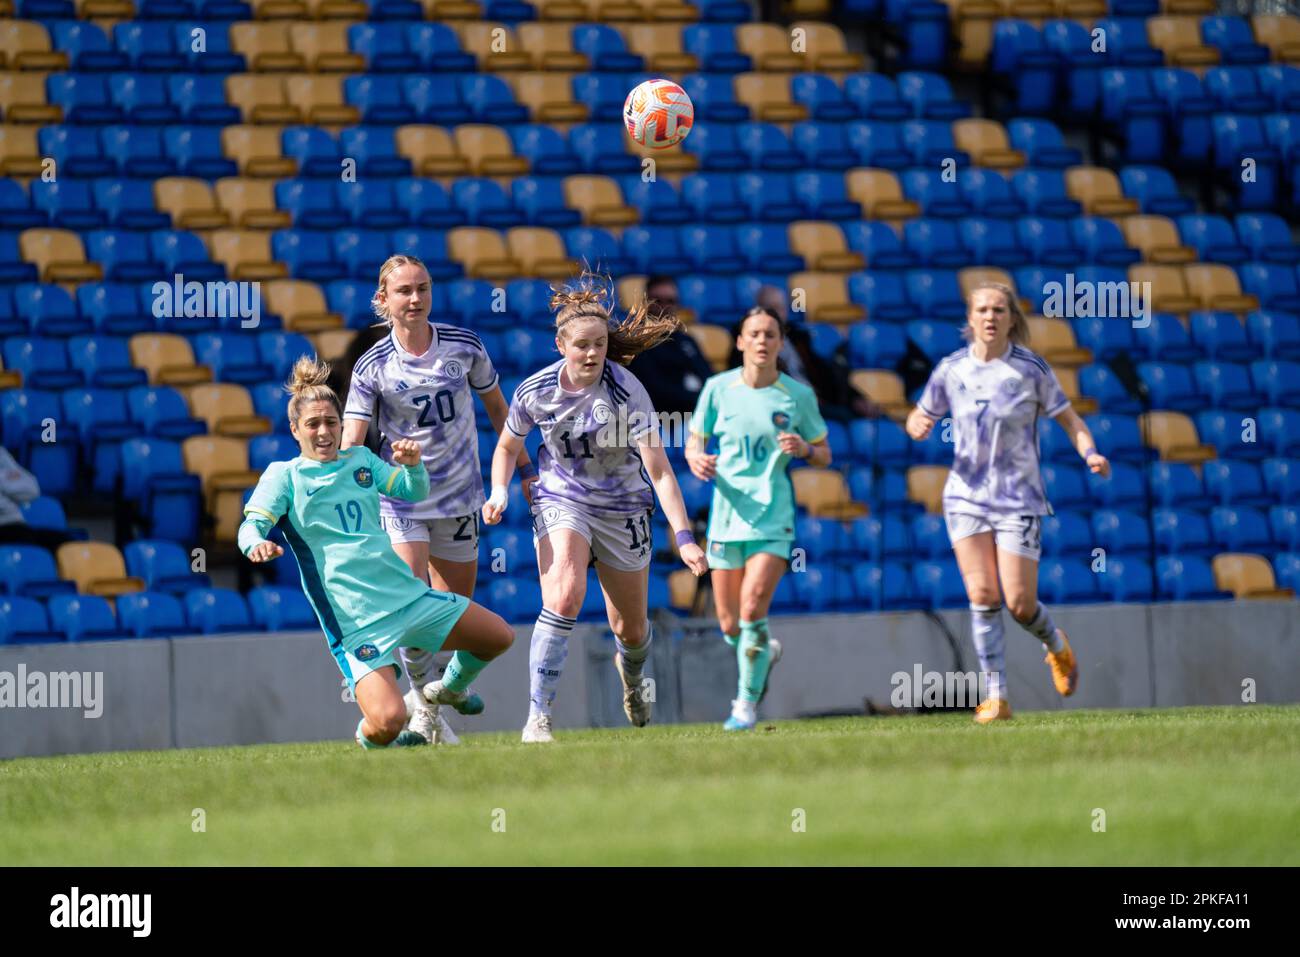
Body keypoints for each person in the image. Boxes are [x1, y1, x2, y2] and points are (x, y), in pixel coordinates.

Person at [240, 357, 514, 749]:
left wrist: (414, 466)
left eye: (331, 422)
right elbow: (251, 525)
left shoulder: (362, 461)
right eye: (312, 424)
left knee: (498, 636)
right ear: (294, 429)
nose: (323, 432)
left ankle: (448, 689)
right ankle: (372, 740)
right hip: (357, 620)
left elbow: (411, 491)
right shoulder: (284, 476)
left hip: (407, 597)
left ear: (342, 424)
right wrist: (256, 543)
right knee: (389, 721)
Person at [482, 272, 708, 743]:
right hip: (562, 498)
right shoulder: (535, 391)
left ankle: (632, 676)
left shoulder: (627, 392)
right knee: (563, 593)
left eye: (600, 344)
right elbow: (505, 448)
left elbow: (661, 471)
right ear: (560, 344)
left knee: (631, 629)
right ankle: (538, 716)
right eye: (582, 344)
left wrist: (684, 537)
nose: (591, 354)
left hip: (624, 507)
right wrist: (499, 491)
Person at [341, 254, 535, 745]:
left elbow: (499, 409)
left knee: (452, 611)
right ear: (382, 300)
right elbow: (352, 441)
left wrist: (525, 468)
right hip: (404, 499)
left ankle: (441, 689)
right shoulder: (372, 366)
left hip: (459, 498)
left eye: (422, 288)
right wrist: (345, 483)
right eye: (404, 291)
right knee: (411, 602)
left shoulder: (465, 347)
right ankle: (426, 711)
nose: (415, 299)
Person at [904, 283, 1110, 724]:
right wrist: (918, 422)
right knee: (982, 592)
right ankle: (996, 697)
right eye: (982, 309)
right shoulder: (951, 369)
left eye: (999, 309)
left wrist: (1090, 453)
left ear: (1012, 318)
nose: (990, 317)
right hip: (965, 497)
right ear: (970, 318)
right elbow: (920, 414)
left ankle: (1056, 645)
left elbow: (1071, 421)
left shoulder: (1030, 369)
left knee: (1019, 603)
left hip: (1018, 498)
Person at [686, 306, 833, 731]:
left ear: (780, 342)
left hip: (773, 514)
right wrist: (698, 460)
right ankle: (762, 652)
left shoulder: (796, 396)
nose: (763, 341)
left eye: (771, 334)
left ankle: (744, 707)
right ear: (740, 342)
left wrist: (805, 450)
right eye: (755, 334)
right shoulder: (718, 389)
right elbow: (695, 443)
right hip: (727, 516)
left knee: (752, 609)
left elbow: (825, 453)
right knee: (730, 622)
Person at [751, 285, 880, 422]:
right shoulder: (749, 344)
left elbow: (825, 374)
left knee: (874, 417)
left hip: (815, 402)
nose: (777, 314)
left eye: (781, 308)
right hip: (789, 405)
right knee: (844, 417)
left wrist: (855, 398)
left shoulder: (798, 338)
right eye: (771, 308)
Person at [625, 275, 714, 418]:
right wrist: (699, 399)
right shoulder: (636, 342)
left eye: (670, 301)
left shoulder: (686, 340)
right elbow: (655, 390)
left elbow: (708, 378)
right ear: (646, 303)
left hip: (693, 418)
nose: (664, 307)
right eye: (658, 301)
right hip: (658, 422)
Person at [0, 446, 72, 550]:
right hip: (5, 527)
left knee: (68, 544)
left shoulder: (1, 453)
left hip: (16, 527)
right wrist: (7, 478)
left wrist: (2, 482)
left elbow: (32, 489)